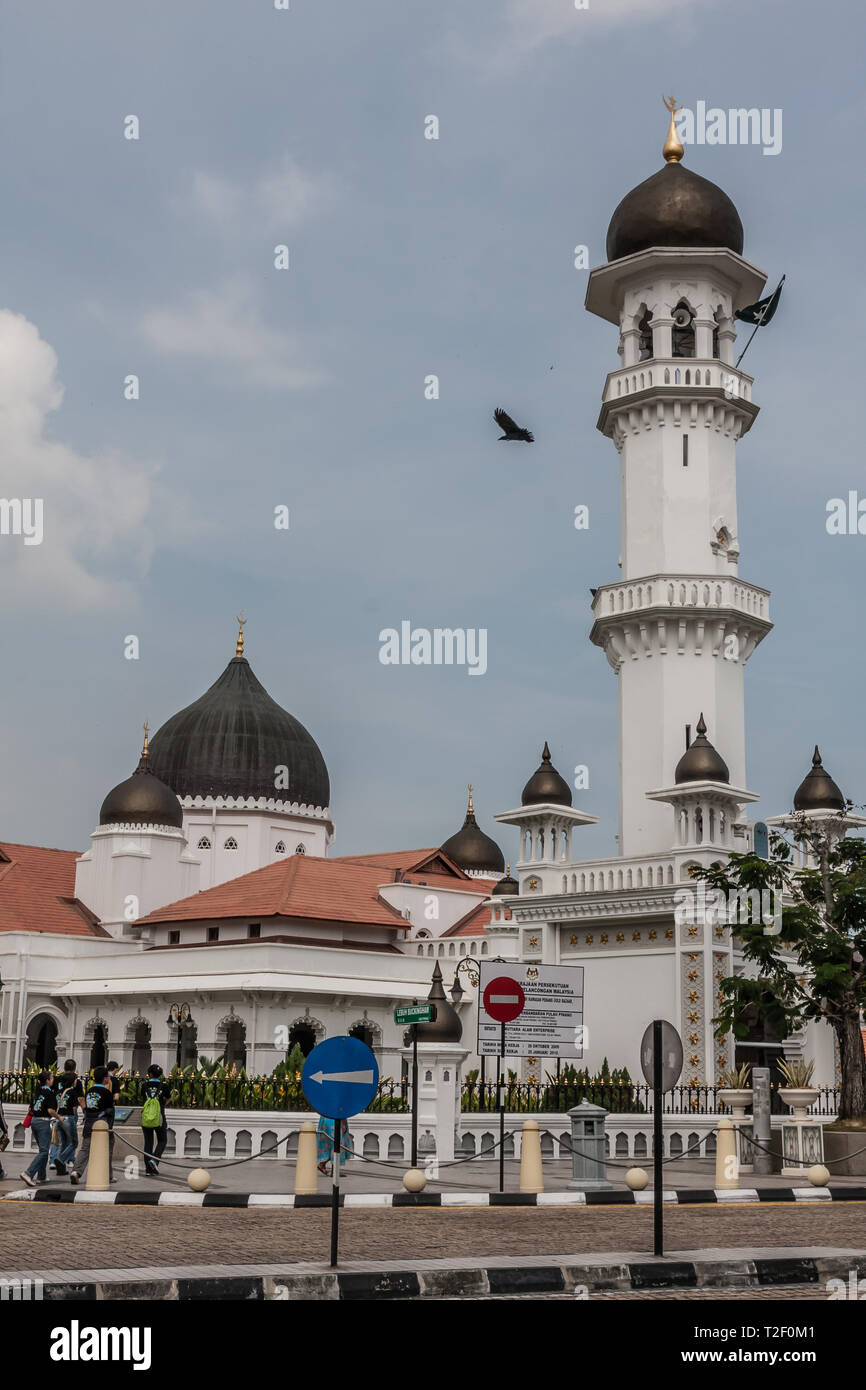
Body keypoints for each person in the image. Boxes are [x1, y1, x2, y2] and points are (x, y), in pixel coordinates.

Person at [68, 1064, 115, 1185]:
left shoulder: (90, 1091)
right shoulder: (106, 1093)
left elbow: (87, 1108)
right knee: (107, 1150)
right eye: (108, 1077)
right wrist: (110, 1127)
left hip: (89, 1123)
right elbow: (110, 1111)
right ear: (105, 1078)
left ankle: (76, 1172)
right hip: (102, 1125)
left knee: (85, 1149)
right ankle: (108, 1175)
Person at [22, 1071, 59, 1187]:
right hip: (43, 1122)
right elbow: (50, 1111)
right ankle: (28, 1173)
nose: (53, 1079)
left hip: (34, 1121)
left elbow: (30, 1108)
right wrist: (59, 1118)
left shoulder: (37, 1093)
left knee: (42, 1150)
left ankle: (41, 1176)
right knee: (44, 1151)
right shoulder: (49, 1093)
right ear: (47, 1080)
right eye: (52, 1078)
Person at [54, 1060, 84, 1176]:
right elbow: (76, 1105)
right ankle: (61, 1159)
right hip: (69, 1117)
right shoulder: (72, 1091)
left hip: (58, 1117)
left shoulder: (59, 1088)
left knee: (63, 1141)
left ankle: (60, 1168)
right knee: (73, 1142)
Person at [140, 1064, 171, 1176]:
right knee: (162, 1140)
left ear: (150, 1074)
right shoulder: (164, 1086)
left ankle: (148, 1169)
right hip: (159, 1118)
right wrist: (161, 1106)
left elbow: (142, 1098)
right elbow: (168, 1099)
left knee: (148, 1142)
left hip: (146, 1118)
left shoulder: (144, 1085)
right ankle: (155, 1160)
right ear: (160, 1074)